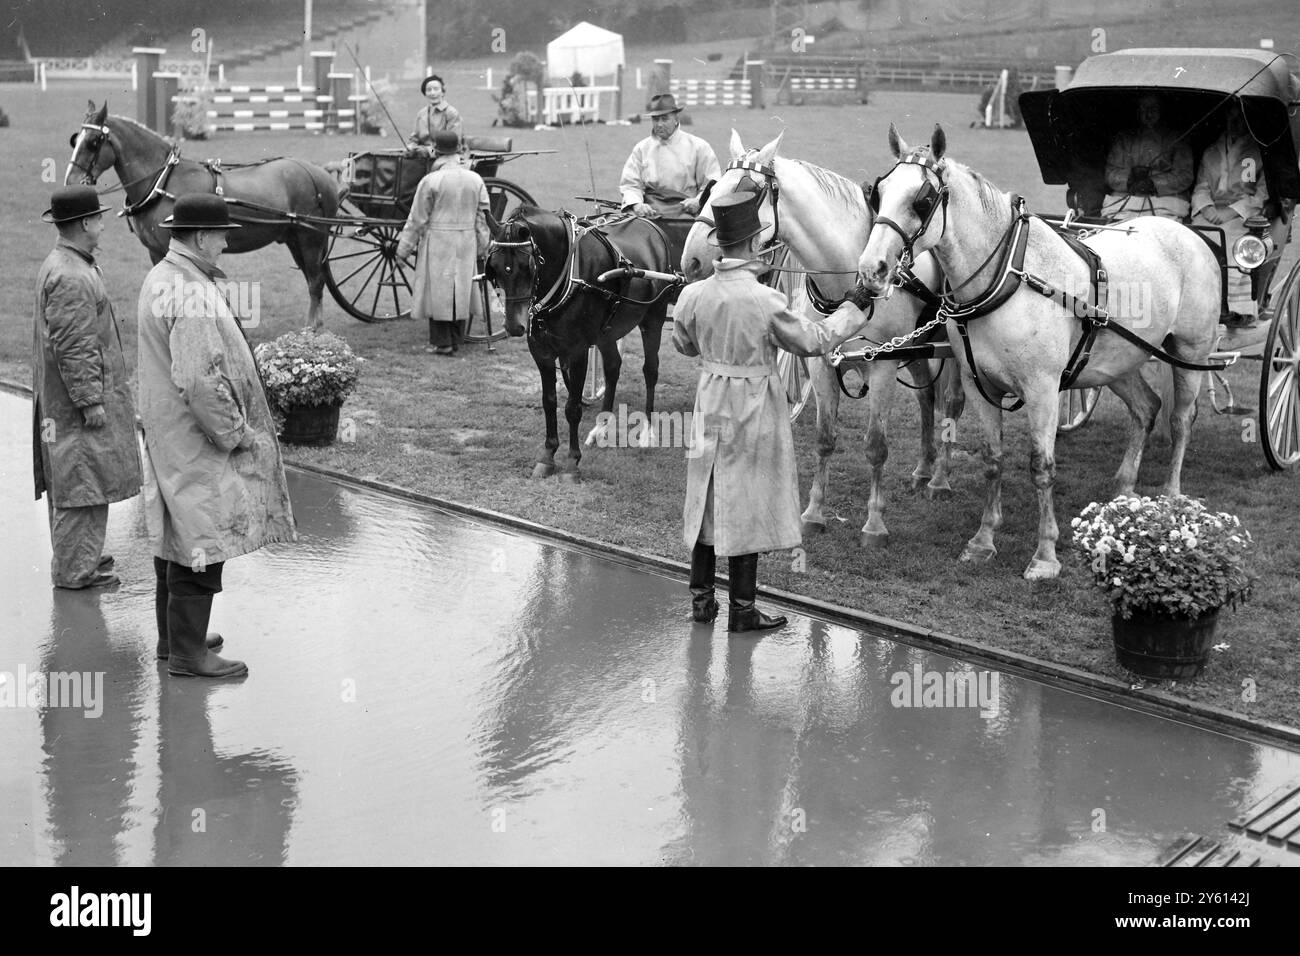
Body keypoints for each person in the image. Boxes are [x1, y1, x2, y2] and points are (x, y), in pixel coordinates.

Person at [672, 192, 874, 633]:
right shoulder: (767, 300)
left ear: (719, 245)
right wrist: (855, 308)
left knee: (707, 496)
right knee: (746, 500)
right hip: (754, 404)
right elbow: (814, 340)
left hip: (710, 400)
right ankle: (743, 611)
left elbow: (684, 344)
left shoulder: (692, 295)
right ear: (753, 245)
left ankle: (702, 601)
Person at [137, 193, 296, 679]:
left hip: (170, 432)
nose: (227, 243)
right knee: (200, 536)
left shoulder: (165, 275)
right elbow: (202, 380)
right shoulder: (188, 291)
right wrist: (237, 434)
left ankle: (175, 639)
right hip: (195, 437)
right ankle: (188, 655)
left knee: (179, 533)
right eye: (223, 234)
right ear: (202, 237)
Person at [32, 185, 142, 589]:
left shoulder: (67, 262)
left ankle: (80, 554)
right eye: (96, 217)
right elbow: (75, 346)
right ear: (82, 224)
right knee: (82, 480)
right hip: (75, 405)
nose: (101, 224)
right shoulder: (72, 275)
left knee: (81, 478)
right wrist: (90, 400)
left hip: (64, 403)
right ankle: (76, 571)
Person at [397, 131, 491, 356]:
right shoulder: (475, 179)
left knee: (438, 291)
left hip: (438, 240)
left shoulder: (431, 180)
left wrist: (403, 250)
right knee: (461, 288)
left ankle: (442, 342)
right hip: (466, 239)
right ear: (458, 149)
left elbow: (417, 218)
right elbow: (483, 217)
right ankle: (457, 339)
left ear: (436, 151)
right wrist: (484, 246)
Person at [1192, 109, 1273, 327]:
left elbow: (1262, 194)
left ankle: (1234, 309)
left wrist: (1231, 211)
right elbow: (1201, 187)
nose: (1235, 123)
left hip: (1242, 214)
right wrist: (1207, 208)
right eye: (1231, 118)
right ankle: (1196, 304)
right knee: (1193, 240)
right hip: (1212, 212)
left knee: (1234, 245)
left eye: (1240, 119)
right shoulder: (1211, 152)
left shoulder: (1257, 152)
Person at [620, 93, 721, 219]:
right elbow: (630, 184)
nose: (659, 124)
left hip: (685, 210)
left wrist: (698, 201)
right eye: (656, 119)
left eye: (664, 119)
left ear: (676, 119)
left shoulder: (698, 147)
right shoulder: (641, 148)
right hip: (650, 210)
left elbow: (712, 183)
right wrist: (637, 205)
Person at [1103, 93, 1194, 220]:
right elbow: (1110, 173)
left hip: (1165, 200)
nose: (1148, 114)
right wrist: (1130, 181)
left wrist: (1153, 184)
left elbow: (1185, 175)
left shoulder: (1177, 138)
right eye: (1143, 109)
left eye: (1153, 109)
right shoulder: (1124, 138)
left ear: (1162, 111)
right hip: (1127, 197)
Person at [407, 74, 464, 157]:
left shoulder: (451, 113)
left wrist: (428, 151)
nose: (432, 93)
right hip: (423, 157)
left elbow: (453, 144)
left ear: (442, 92)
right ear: (425, 93)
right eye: (429, 90)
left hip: (448, 157)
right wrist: (410, 147)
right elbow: (414, 138)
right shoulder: (421, 113)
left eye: (436, 89)